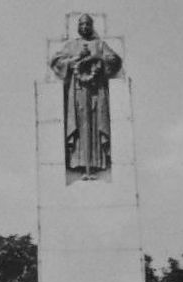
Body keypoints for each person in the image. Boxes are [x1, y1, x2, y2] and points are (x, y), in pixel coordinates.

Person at [49, 13, 122, 179]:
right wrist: (76, 58)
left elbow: (115, 60)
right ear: (78, 27)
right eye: (81, 24)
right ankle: (79, 163)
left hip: (96, 92)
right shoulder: (71, 45)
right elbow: (56, 61)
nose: (84, 27)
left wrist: (97, 57)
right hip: (77, 92)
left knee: (96, 126)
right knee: (80, 127)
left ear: (92, 26)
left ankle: (96, 164)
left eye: (87, 24)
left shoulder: (99, 44)